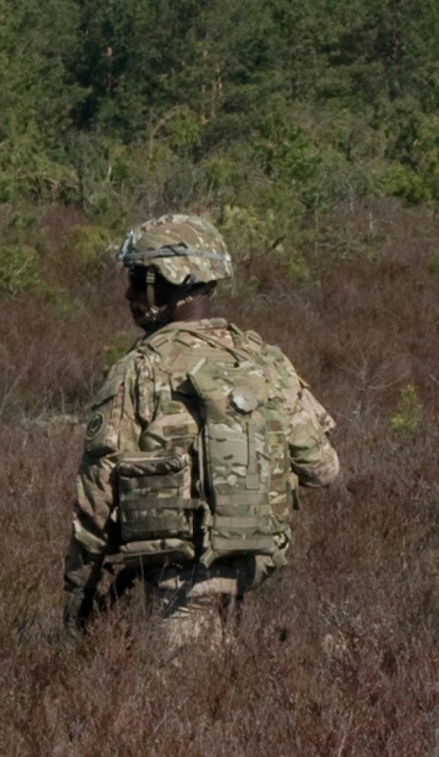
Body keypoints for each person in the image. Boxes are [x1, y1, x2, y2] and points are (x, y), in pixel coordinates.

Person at [62, 214, 340, 654]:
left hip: (179, 584)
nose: (129, 292)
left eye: (139, 278)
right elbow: (323, 467)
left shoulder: (139, 370)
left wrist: (79, 599)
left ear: (169, 281)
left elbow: (95, 502)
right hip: (253, 569)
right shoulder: (265, 361)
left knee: (181, 713)